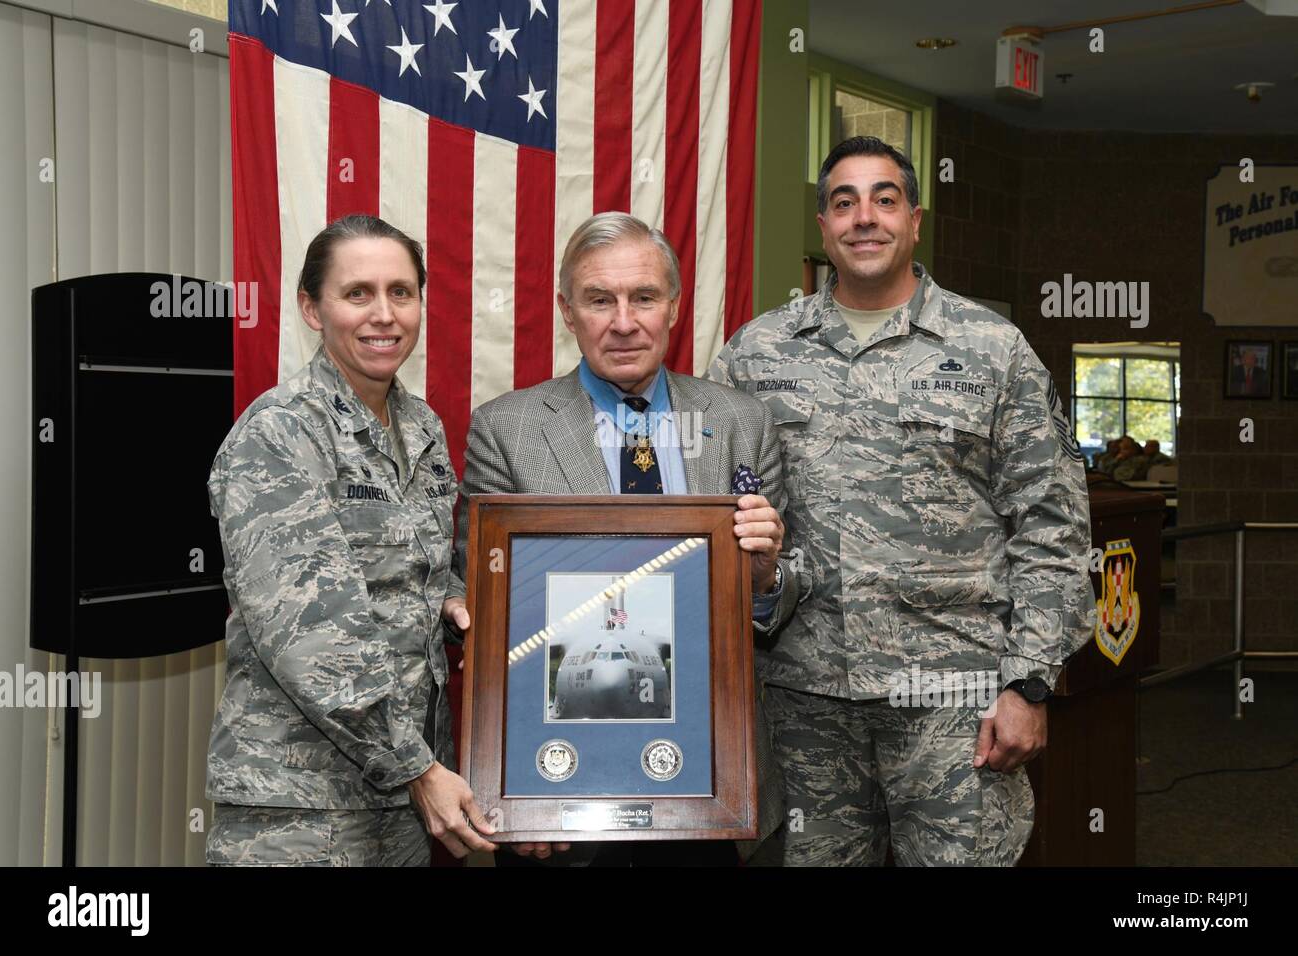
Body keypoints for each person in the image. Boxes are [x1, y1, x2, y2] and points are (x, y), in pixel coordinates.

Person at [709, 136, 1094, 866]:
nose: (865, 218)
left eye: (884, 199)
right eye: (843, 202)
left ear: (915, 219)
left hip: (955, 702)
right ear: (821, 225)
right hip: (803, 701)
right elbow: (719, 514)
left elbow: (1053, 525)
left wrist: (1031, 683)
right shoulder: (756, 353)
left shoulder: (991, 348)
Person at [451, 211, 798, 866]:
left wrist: (766, 573)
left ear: (672, 305)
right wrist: (515, 786)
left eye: (643, 296)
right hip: (556, 790)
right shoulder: (507, 430)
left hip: (714, 784)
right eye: (598, 299)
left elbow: (785, 595)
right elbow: (484, 610)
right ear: (567, 311)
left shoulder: (741, 423)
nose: (623, 320)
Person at [204, 214, 496, 865]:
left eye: (402, 292)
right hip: (300, 805)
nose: (384, 314)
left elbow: (416, 567)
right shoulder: (279, 435)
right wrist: (420, 768)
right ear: (312, 307)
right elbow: (312, 630)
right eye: (357, 293)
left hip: (399, 800)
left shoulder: (419, 426)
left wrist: (456, 601)